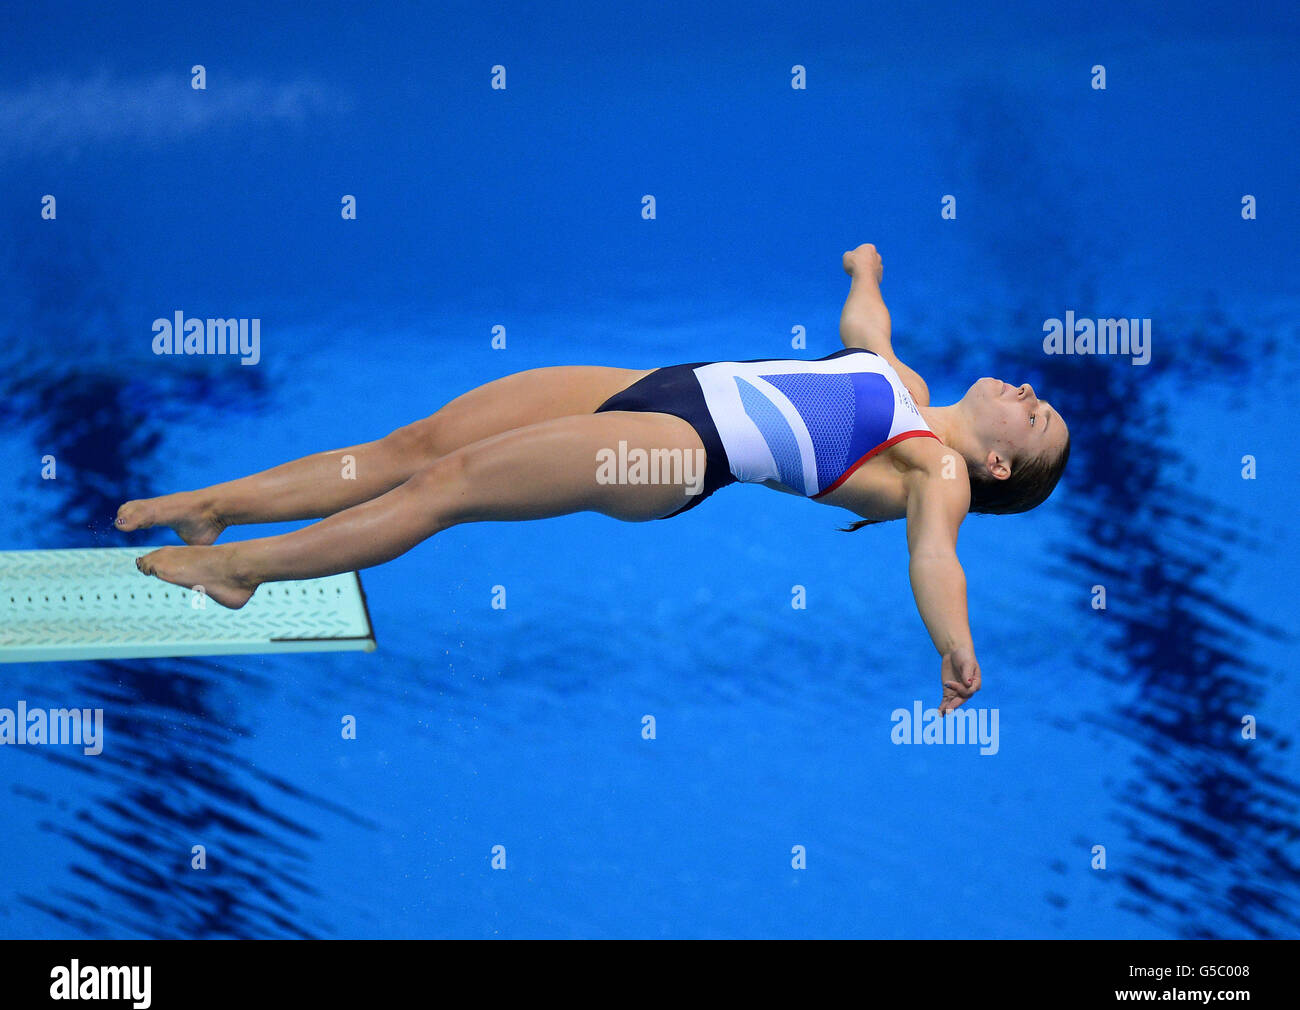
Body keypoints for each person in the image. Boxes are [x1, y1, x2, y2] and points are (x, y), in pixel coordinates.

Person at [117, 244, 1070, 713]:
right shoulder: (907, 386)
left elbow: (936, 558)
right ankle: (215, 510)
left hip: (674, 453)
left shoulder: (936, 468)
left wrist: (953, 643)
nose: (1026, 390)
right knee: (417, 443)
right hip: (658, 388)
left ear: (996, 464)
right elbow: (868, 326)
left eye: (1035, 417)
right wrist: (865, 268)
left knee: (443, 487)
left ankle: (246, 572)